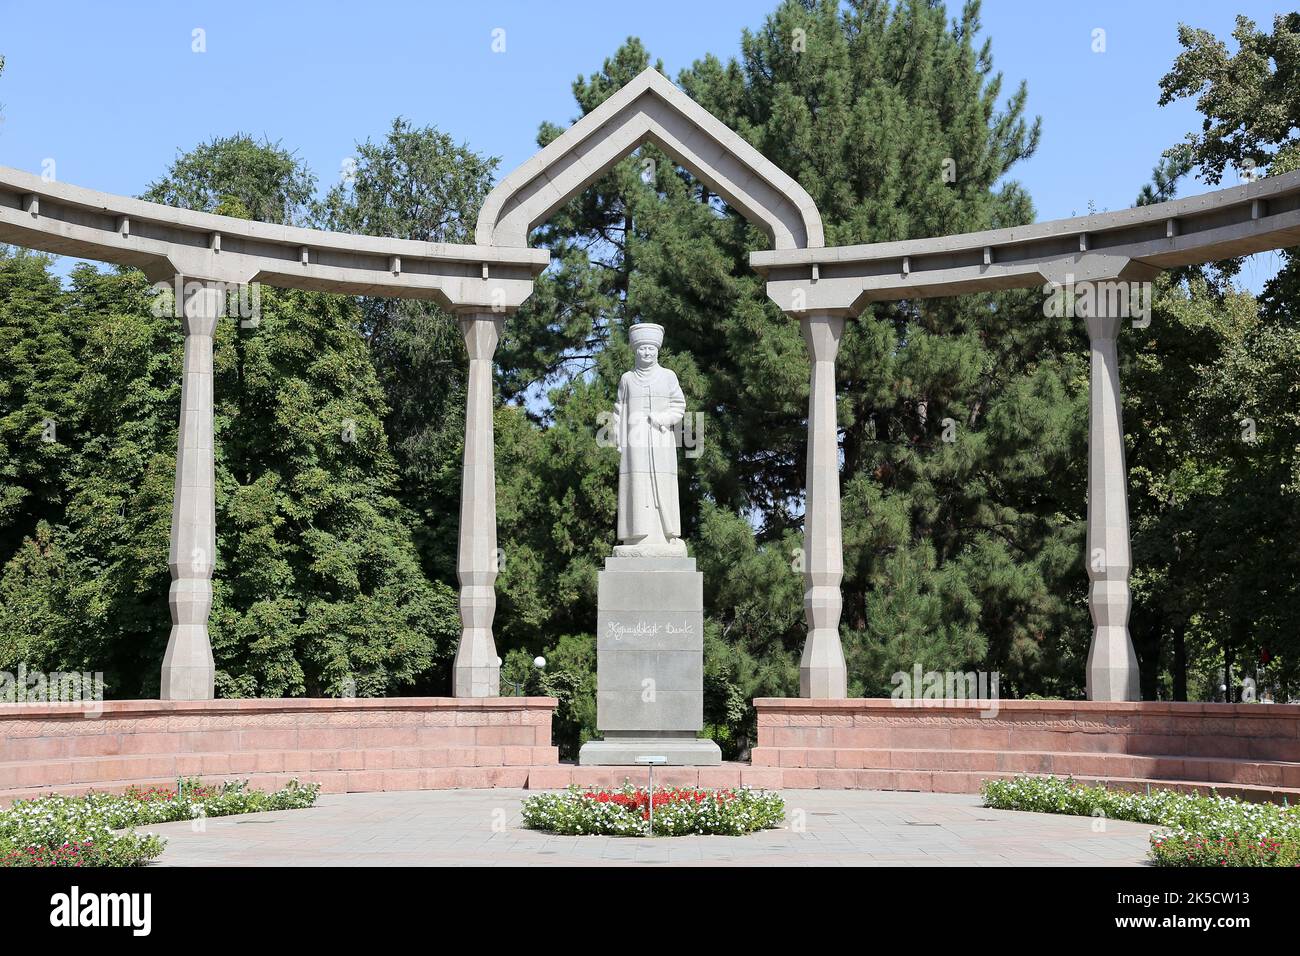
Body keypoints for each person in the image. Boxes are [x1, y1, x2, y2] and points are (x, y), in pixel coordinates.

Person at [613, 322, 686, 555]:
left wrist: (663, 418)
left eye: (650, 349)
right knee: (637, 486)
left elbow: (679, 404)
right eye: (642, 349)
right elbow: (618, 409)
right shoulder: (627, 379)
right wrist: (618, 437)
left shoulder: (668, 376)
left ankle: (667, 535)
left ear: (657, 350)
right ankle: (637, 537)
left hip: (661, 439)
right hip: (635, 444)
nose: (646, 353)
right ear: (635, 350)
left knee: (663, 486)